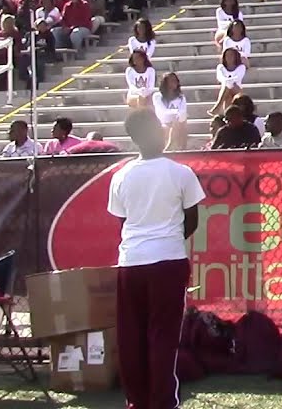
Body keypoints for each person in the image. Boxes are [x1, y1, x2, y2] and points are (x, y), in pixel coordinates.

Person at [108, 109, 205, 409]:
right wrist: (169, 239)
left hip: (130, 261)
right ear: (157, 133)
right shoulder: (180, 172)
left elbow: (123, 223)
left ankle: (136, 401)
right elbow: (192, 221)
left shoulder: (121, 175)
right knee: (162, 336)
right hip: (168, 260)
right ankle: (162, 402)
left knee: (131, 336)